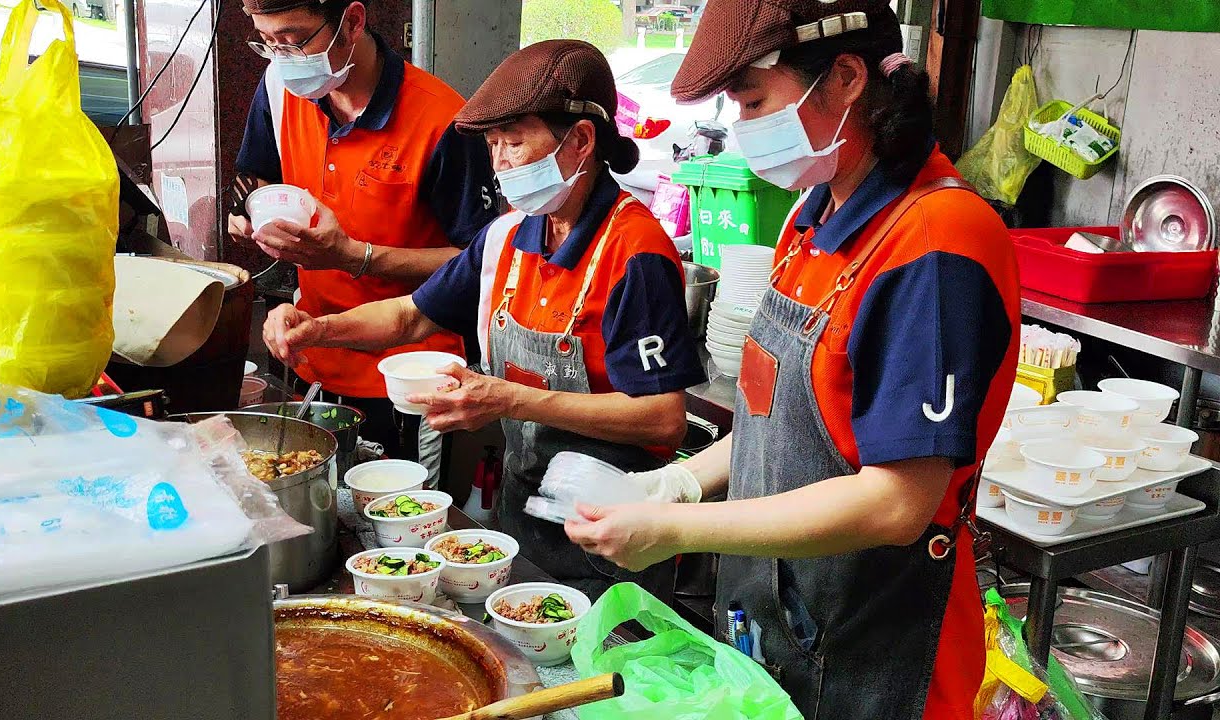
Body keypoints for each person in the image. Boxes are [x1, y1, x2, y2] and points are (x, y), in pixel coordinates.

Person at [565, 2, 1021, 718]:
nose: (742, 127)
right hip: (781, 629)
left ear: (843, 77)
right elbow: (775, 421)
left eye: (752, 100)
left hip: (878, 653)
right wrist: (676, 484)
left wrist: (678, 530)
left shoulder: (938, 240)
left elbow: (899, 501)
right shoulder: (813, 219)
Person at [263, 40, 706, 600]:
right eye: (493, 146)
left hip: (618, 539)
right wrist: (315, 328)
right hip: (526, 520)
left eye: (513, 143)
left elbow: (663, 417)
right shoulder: (508, 237)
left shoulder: (634, 252)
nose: (498, 165)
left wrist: (507, 399)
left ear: (582, 141)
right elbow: (408, 317)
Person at [229, 0, 497, 488]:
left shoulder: (442, 120)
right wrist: (250, 214)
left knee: (401, 531)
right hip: (312, 351)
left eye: (294, 39)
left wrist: (351, 255)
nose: (282, 57)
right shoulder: (278, 86)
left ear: (352, 22)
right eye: (266, 42)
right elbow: (256, 174)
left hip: (407, 376)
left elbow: (482, 263)